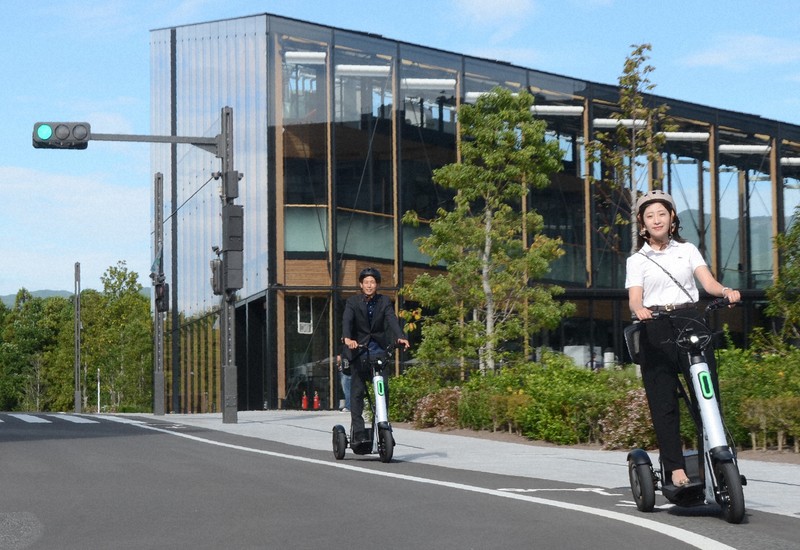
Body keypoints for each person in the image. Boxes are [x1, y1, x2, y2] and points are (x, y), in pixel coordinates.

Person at [625, 190, 741, 488]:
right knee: (664, 400)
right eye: (649, 216)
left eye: (661, 214)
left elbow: (708, 282)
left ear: (672, 217)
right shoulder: (637, 260)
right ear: (642, 222)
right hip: (656, 325)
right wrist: (640, 309)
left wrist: (725, 291)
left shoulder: (687, 251)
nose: (656, 220)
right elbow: (635, 298)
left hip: (690, 320)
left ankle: (716, 458)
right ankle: (674, 466)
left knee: (707, 396)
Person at [342, 267, 410, 445]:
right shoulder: (352, 302)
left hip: (378, 351)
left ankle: (383, 427)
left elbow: (391, 320)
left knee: (383, 390)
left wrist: (401, 337)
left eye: (372, 282)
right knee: (357, 393)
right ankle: (358, 431)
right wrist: (348, 338)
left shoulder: (384, 301)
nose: (369, 285)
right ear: (361, 284)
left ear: (377, 284)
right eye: (366, 282)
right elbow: (347, 321)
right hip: (359, 351)